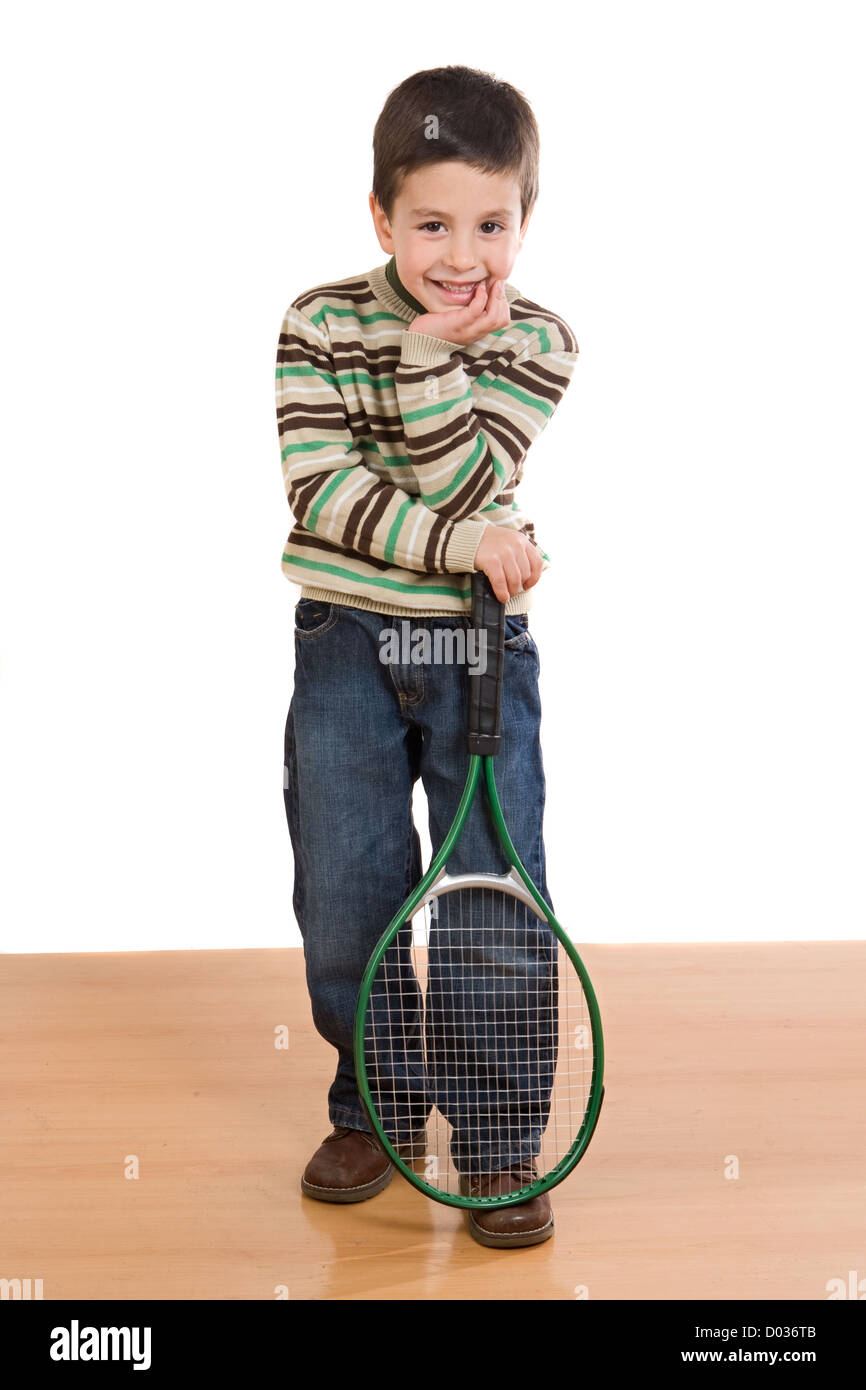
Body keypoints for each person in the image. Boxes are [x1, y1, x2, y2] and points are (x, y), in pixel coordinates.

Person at [276, 65, 578, 1249]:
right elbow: (322, 496)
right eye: (431, 224)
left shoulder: (542, 339)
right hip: (343, 646)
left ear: (524, 219)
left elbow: (463, 472)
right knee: (346, 898)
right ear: (380, 217)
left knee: (493, 898)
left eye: (491, 225)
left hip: (476, 654)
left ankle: (501, 1143)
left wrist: (420, 361)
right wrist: (471, 541)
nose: (462, 257)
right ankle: (377, 1111)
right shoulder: (313, 320)